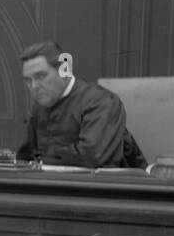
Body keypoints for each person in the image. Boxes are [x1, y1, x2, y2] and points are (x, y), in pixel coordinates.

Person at [15, 41, 145, 168]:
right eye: (28, 80)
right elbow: (26, 155)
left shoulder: (101, 102)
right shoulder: (40, 107)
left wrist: (43, 159)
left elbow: (93, 157)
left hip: (111, 187)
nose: (34, 86)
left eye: (41, 76)